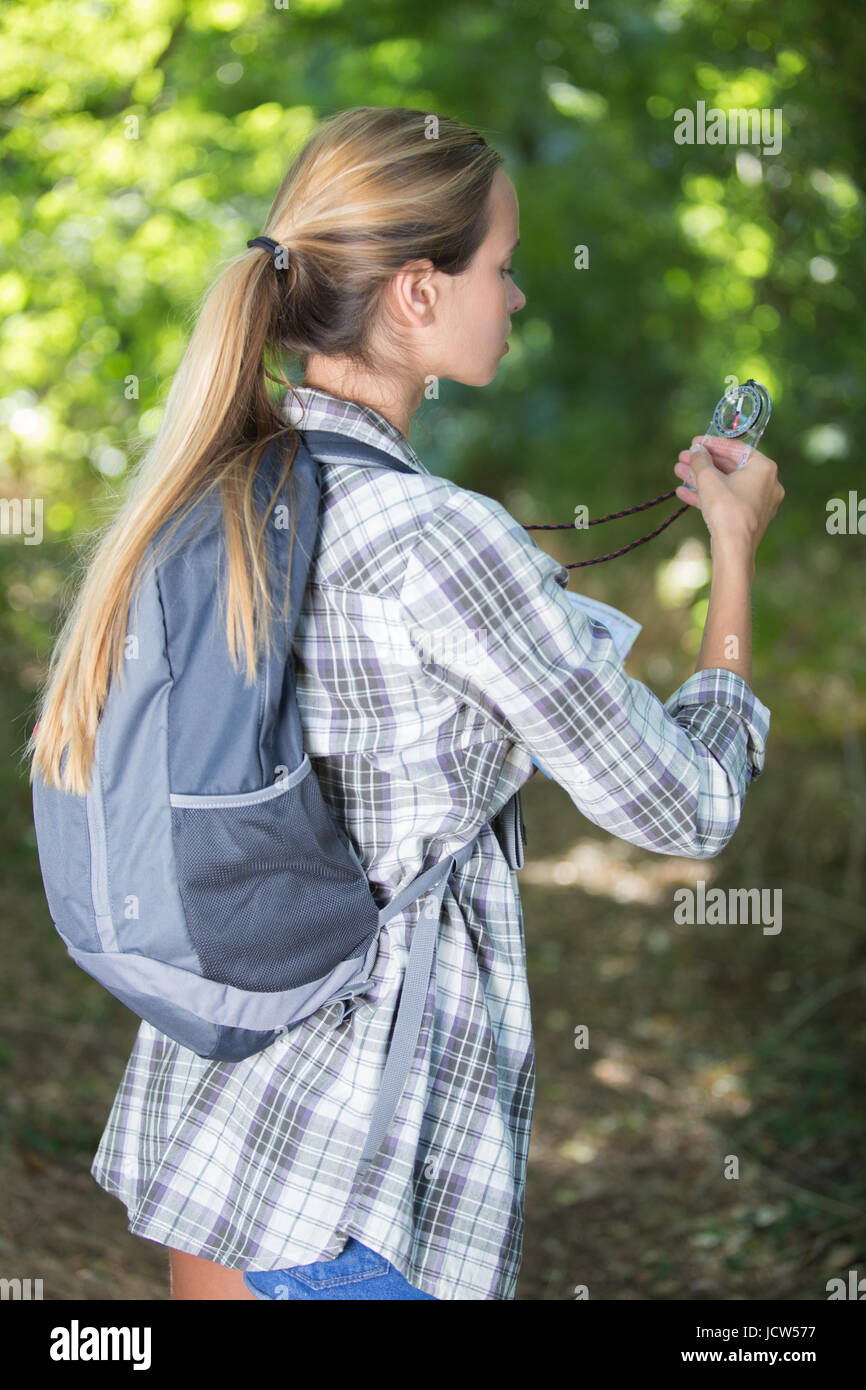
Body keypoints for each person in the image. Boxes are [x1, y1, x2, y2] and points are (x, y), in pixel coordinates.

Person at [28, 105, 784, 1301]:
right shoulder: (439, 538)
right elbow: (686, 808)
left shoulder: (220, 483)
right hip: (359, 1177)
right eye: (502, 266)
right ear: (418, 294)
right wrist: (732, 556)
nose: (519, 297)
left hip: (216, 1125)